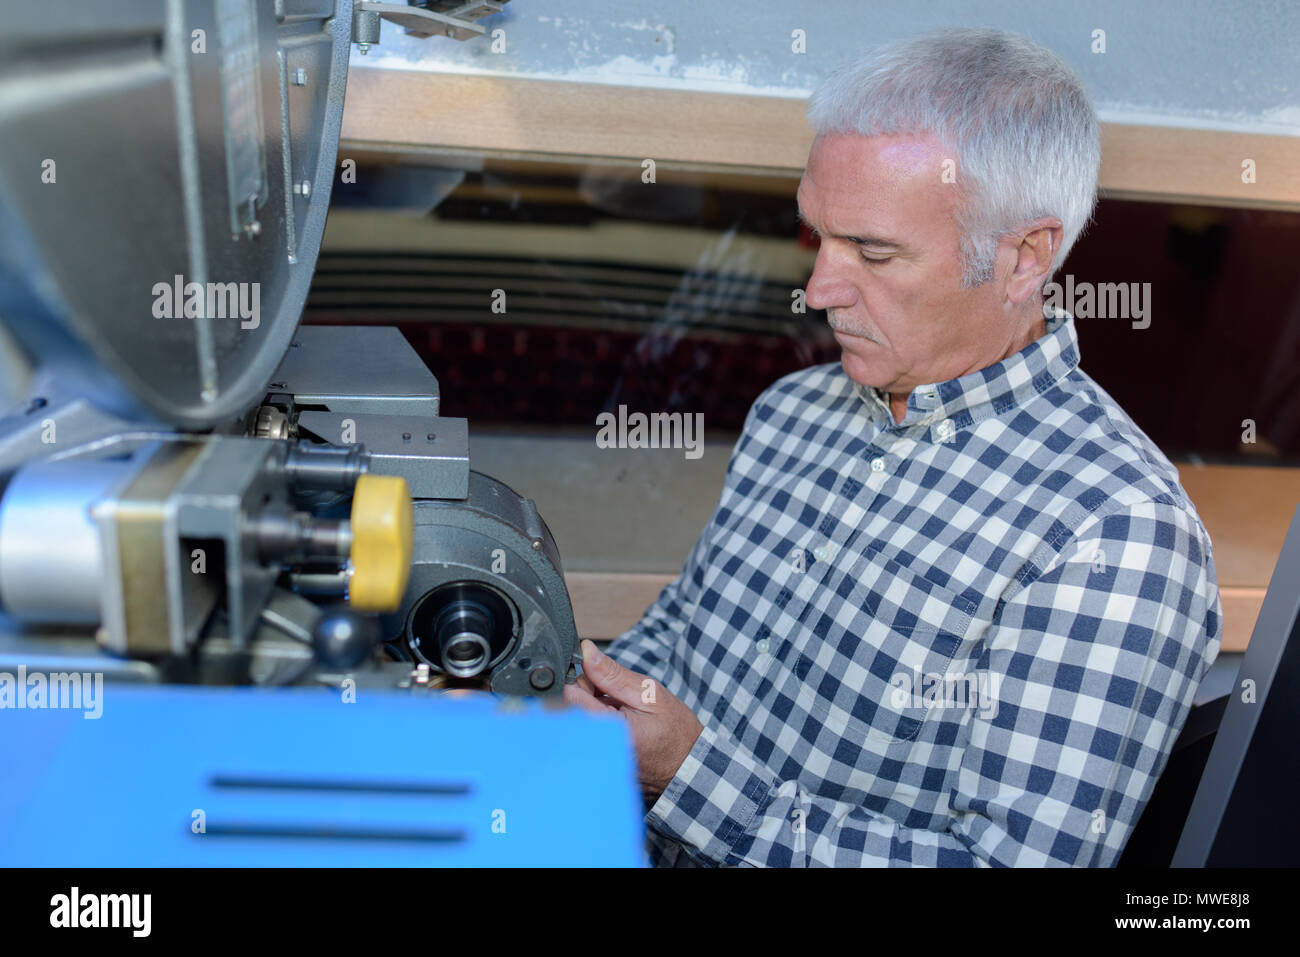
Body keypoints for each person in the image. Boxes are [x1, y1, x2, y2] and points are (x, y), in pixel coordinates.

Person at [564, 27, 1222, 867]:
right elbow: (687, 635)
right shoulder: (792, 410)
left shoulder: (1118, 536)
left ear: (1023, 259)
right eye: (817, 237)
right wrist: (562, 700)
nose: (819, 291)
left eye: (874, 252)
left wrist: (687, 779)